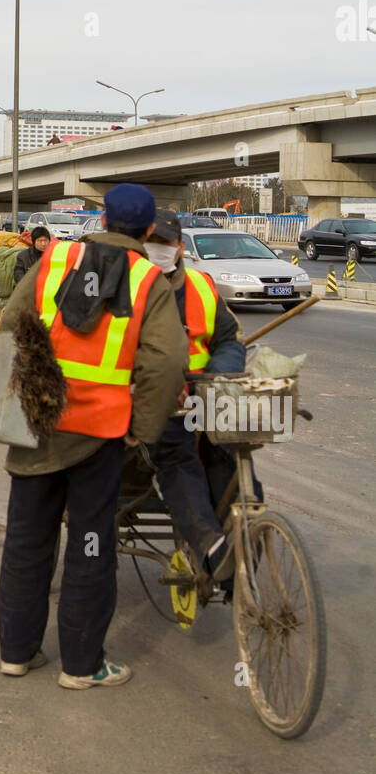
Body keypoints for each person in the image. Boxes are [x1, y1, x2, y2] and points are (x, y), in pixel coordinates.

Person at [0, 183, 189, 689]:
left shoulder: (56, 260)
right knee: (89, 546)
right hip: (100, 434)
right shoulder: (149, 280)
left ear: (102, 218)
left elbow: (9, 325)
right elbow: (166, 364)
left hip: (37, 428)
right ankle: (81, 667)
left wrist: (15, 404)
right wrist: (142, 431)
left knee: (26, 540)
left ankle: (16, 653)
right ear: (148, 231)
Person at [143, 210, 257, 585]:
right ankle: (212, 548)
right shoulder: (129, 288)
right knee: (177, 460)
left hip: (204, 395)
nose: (159, 250)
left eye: (166, 244)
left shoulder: (201, 286)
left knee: (230, 455)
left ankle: (247, 545)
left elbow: (228, 339)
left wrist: (216, 375)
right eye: (152, 244)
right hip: (157, 401)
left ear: (179, 248)